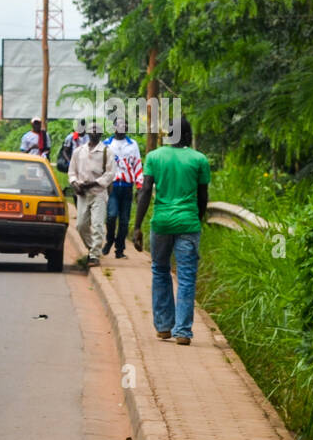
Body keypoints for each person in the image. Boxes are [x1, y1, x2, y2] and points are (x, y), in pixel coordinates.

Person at [132, 118, 211, 346]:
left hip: (162, 223)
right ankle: (183, 331)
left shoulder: (155, 157)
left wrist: (137, 226)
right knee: (186, 277)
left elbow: (145, 190)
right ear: (188, 136)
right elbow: (203, 196)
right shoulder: (199, 159)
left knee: (160, 270)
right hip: (188, 223)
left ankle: (164, 327)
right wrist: (197, 219)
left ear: (168, 136)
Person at [69, 122, 115, 268]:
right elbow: (72, 172)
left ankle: (94, 255)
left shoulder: (107, 152)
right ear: (87, 133)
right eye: (92, 130)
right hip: (82, 193)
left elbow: (110, 174)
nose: (94, 133)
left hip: (99, 193)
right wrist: (75, 183)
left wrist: (94, 183)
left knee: (97, 224)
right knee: (81, 225)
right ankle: (92, 248)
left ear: (101, 134)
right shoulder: (79, 151)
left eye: (97, 131)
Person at [102, 118, 143, 259]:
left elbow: (137, 165)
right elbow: (101, 166)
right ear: (114, 127)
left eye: (125, 125)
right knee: (112, 216)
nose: (122, 127)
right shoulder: (107, 144)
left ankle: (120, 249)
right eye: (119, 125)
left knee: (124, 221)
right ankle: (109, 240)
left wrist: (139, 186)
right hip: (112, 186)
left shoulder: (132, 145)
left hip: (127, 187)